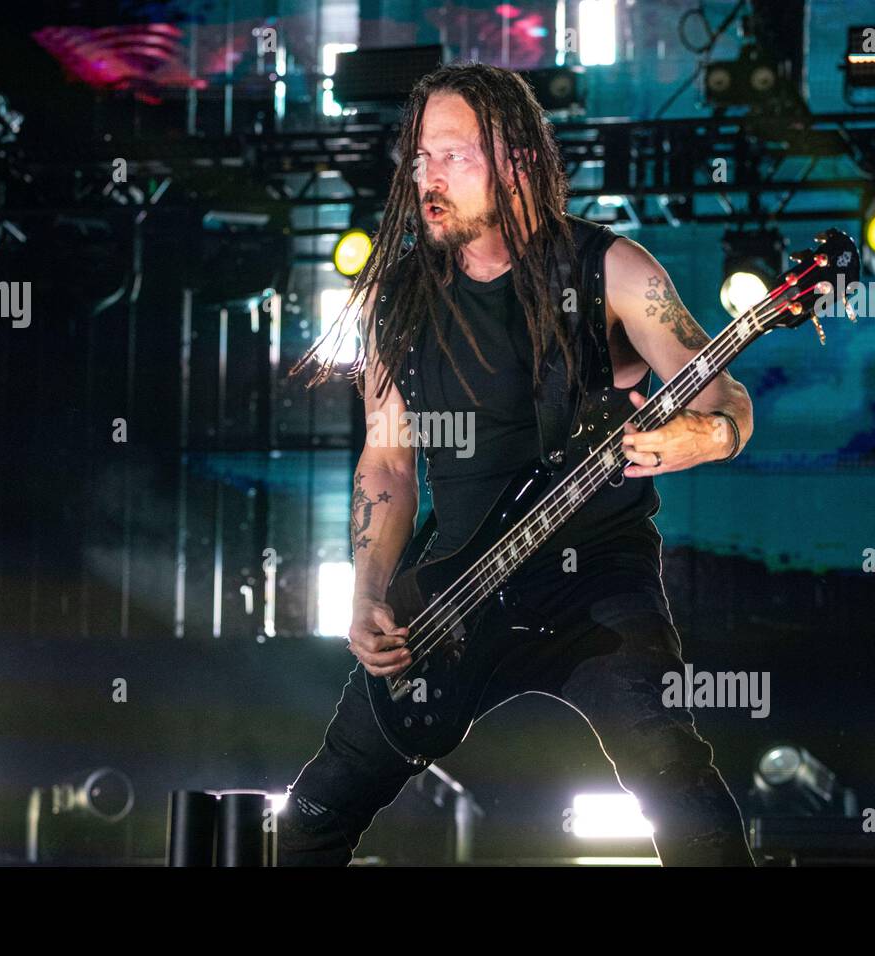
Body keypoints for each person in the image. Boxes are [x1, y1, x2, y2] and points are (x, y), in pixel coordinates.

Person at [283, 62, 756, 866]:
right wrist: (366, 594)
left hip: (599, 582)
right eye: (421, 158)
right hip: (459, 592)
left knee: (679, 791)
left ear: (519, 162)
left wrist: (706, 437)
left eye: (454, 157)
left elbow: (723, 392)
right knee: (314, 813)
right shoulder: (399, 299)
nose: (429, 178)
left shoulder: (613, 269)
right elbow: (389, 462)